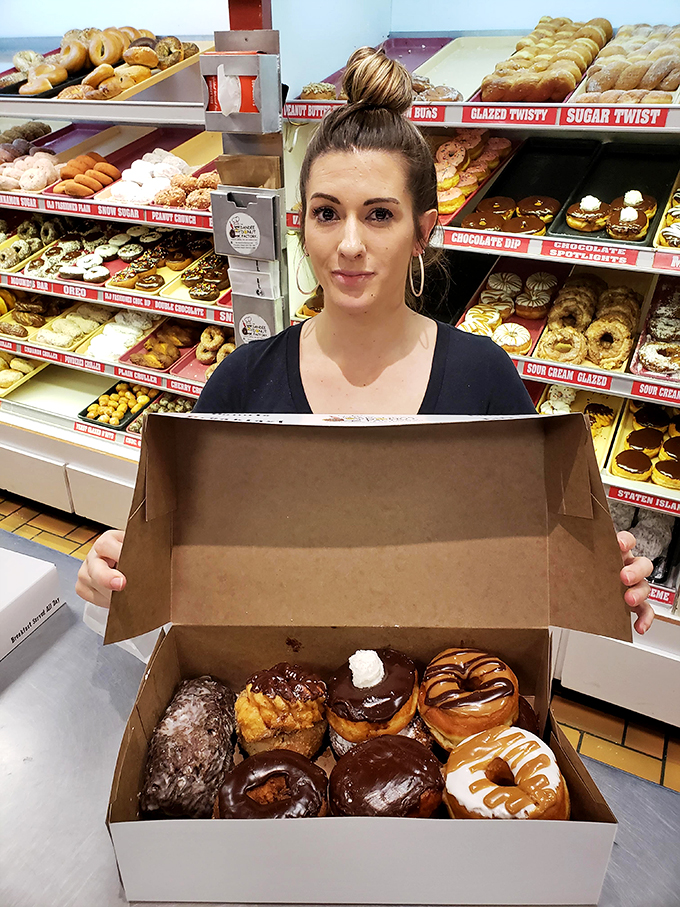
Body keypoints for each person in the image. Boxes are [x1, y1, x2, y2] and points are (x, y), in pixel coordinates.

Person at [76, 47, 654, 634]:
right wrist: (117, 571)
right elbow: (181, 550)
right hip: (283, 679)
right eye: (328, 214)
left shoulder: (483, 378)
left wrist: (602, 574)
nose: (349, 243)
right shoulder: (242, 383)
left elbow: (535, 546)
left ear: (422, 233)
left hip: (440, 686)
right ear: (301, 226)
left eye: (379, 215)